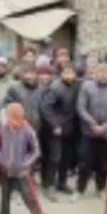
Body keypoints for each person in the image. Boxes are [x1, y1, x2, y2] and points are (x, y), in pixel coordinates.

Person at [0, 104, 51, 214]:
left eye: (15, 119)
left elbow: (36, 151)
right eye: (9, 118)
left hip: (22, 172)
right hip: (5, 169)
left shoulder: (28, 130)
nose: (11, 122)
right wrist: (0, 158)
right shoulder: (3, 128)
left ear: (21, 118)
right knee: (4, 194)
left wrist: (24, 163)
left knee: (30, 198)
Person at [77, 63, 107, 197]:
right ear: (95, 73)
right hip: (88, 131)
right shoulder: (86, 86)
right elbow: (81, 107)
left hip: (106, 133)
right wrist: (92, 124)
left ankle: (101, 188)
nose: (103, 76)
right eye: (100, 72)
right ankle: (80, 189)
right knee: (85, 162)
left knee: (104, 163)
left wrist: (105, 126)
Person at [40, 65, 78, 199]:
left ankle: (61, 183)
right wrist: (54, 124)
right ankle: (48, 185)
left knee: (66, 158)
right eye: (66, 72)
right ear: (61, 74)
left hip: (70, 128)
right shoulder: (55, 88)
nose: (69, 75)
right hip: (55, 128)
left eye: (71, 73)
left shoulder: (76, 86)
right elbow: (46, 107)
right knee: (54, 158)